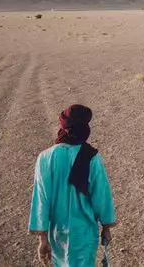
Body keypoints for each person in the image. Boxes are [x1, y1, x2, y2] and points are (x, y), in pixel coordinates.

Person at [28, 104, 116, 266]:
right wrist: (106, 227)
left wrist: (43, 238)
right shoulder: (92, 158)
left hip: (57, 235)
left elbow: (41, 199)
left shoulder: (45, 158)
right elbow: (101, 196)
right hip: (84, 234)